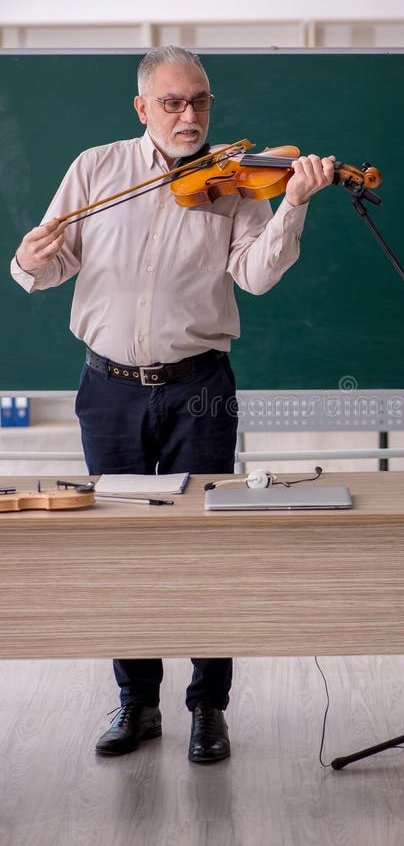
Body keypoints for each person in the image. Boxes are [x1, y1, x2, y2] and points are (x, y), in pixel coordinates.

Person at [11, 45, 334, 763]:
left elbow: (253, 278)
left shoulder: (239, 182)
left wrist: (292, 207)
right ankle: (136, 704)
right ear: (141, 108)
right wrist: (30, 260)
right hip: (107, 389)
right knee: (121, 548)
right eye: (172, 103)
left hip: (199, 387)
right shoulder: (95, 169)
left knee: (209, 546)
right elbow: (53, 258)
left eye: (200, 102)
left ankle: (208, 709)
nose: (189, 116)